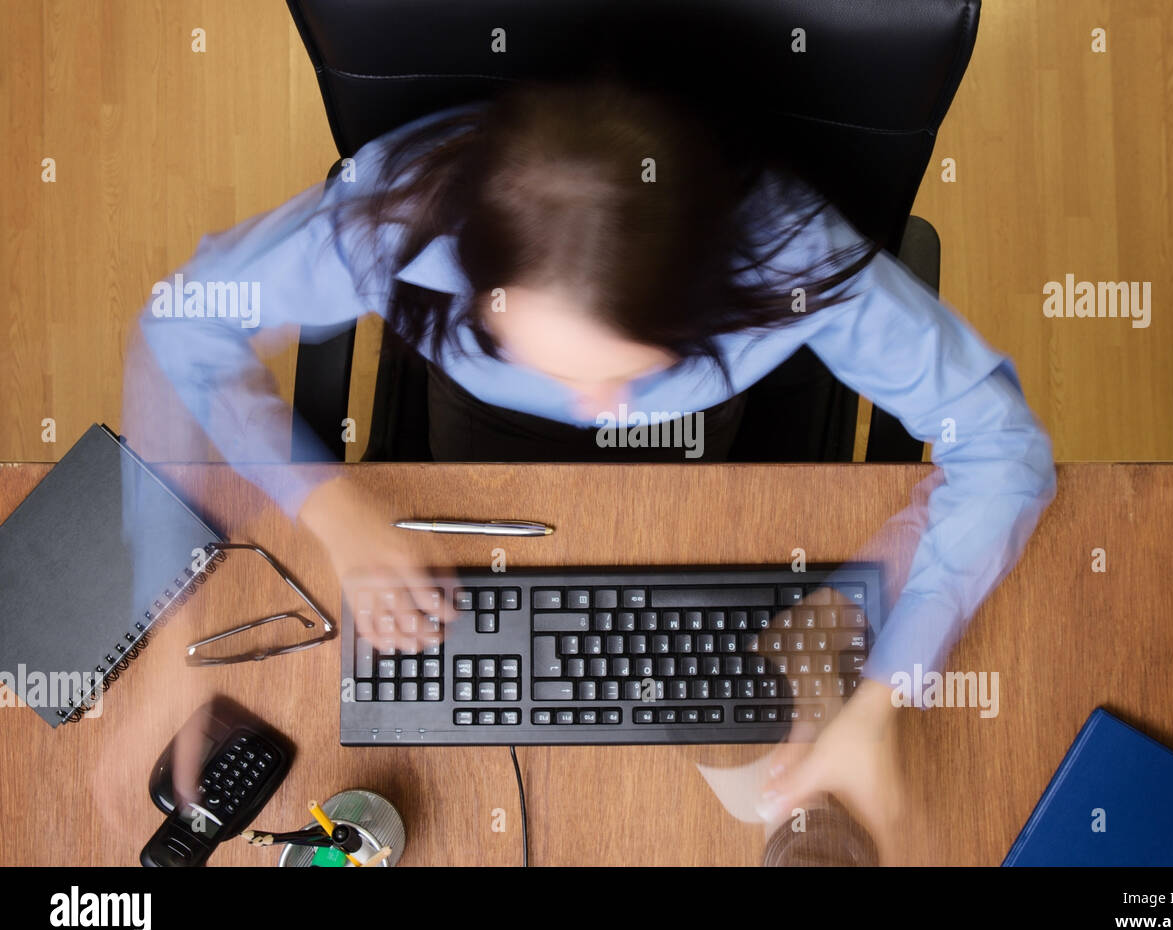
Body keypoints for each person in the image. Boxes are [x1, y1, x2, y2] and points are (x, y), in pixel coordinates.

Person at [125, 76, 1056, 850]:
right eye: (559, 361)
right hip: (477, 429)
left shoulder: (785, 257)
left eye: (625, 374)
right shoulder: (399, 217)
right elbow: (183, 323)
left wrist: (887, 692)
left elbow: (1005, 448)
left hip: (700, 445)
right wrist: (324, 503)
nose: (599, 416)